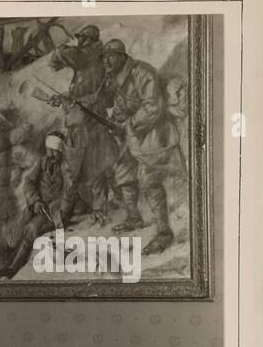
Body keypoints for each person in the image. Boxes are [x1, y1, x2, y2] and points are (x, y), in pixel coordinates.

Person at [101, 38, 183, 255]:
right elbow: (119, 107)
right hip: (133, 133)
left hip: (155, 132)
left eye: (110, 56)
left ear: (121, 56)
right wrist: (117, 123)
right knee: (123, 170)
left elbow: (154, 106)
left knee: (149, 178)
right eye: (104, 57)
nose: (106, 61)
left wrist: (128, 124)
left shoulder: (141, 72)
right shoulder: (114, 78)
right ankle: (134, 218)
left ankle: (164, 233)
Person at [49, 24, 118, 223]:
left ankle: (66, 213)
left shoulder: (88, 55)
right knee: (92, 168)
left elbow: (60, 56)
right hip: (87, 122)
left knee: (74, 169)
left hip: (83, 123)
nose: (78, 42)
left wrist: (66, 45)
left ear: (89, 41)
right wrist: (63, 99)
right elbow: (80, 93)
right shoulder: (93, 59)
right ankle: (96, 211)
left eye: (81, 39)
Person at [4, 132, 75, 278]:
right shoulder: (42, 162)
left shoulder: (66, 168)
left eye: (53, 150)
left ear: (60, 151)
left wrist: (60, 212)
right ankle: (7, 264)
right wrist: (35, 201)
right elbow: (29, 183)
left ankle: (13, 268)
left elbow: (69, 193)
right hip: (39, 206)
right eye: (48, 149)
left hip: (53, 211)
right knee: (18, 227)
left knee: (31, 229)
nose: (50, 153)